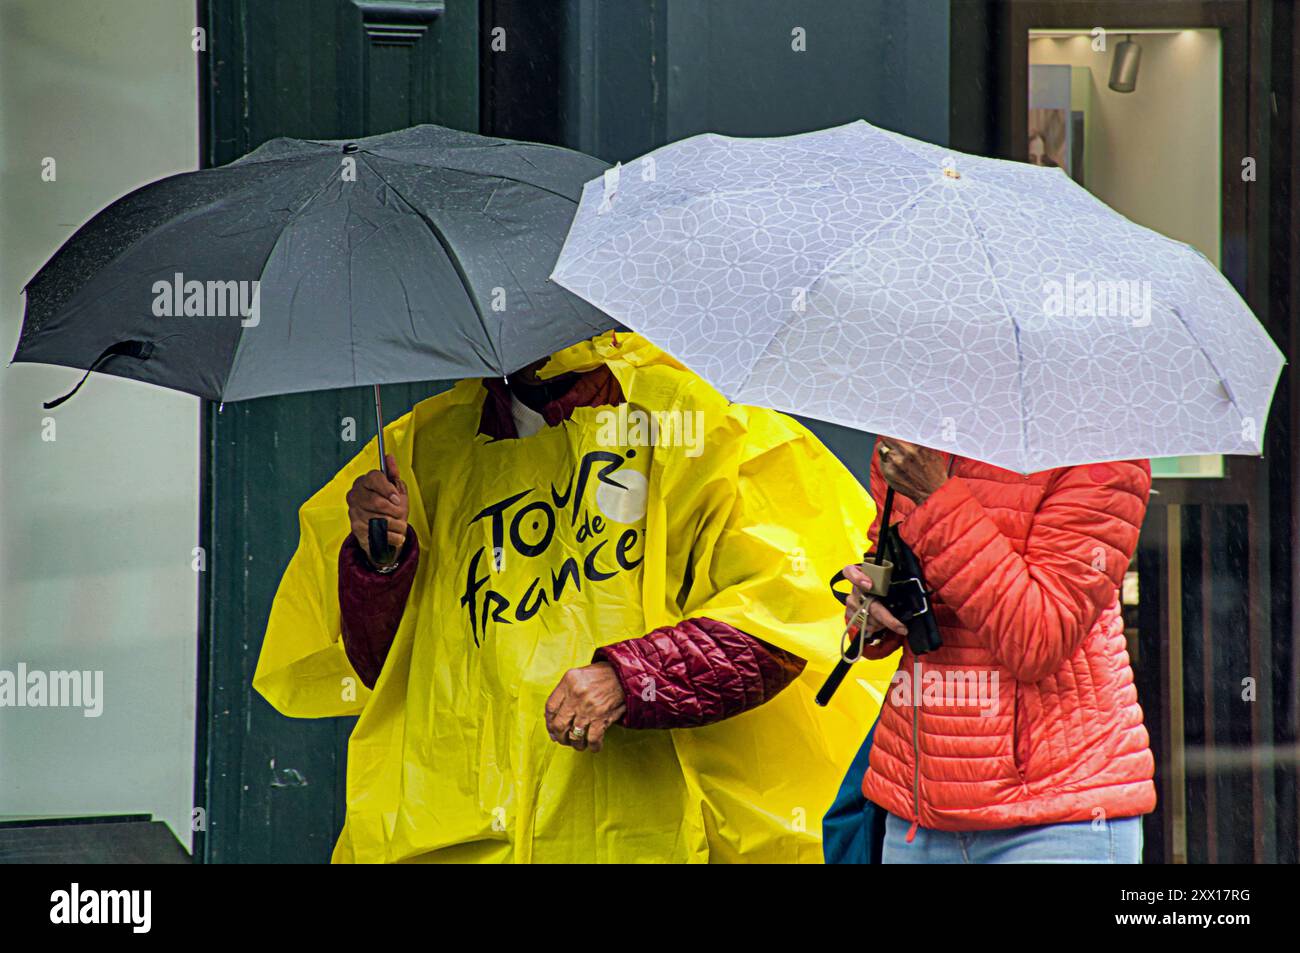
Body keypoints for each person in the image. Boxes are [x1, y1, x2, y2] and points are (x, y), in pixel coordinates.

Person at [254, 331, 889, 863]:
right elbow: (386, 671)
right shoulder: (425, 448)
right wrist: (380, 561)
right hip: (469, 835)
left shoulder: (704, 425)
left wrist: (630, 677)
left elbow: (783, 623)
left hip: (659, 832)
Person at [842, 437, 1155, 863]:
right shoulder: (913, 439)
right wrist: (871, 612)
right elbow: (904, 590)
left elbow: (1038, 639)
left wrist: (934, 496)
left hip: (1056, 814)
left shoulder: (1098, 452)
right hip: (918, 809)